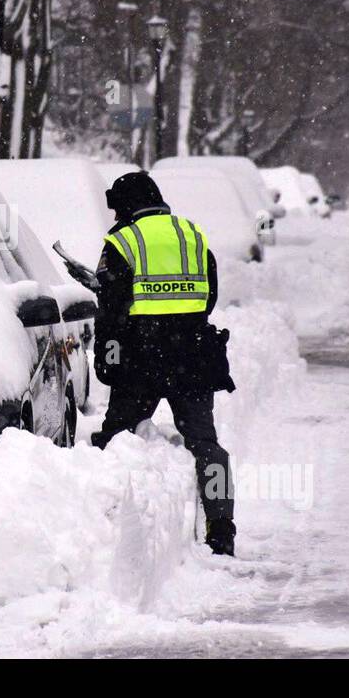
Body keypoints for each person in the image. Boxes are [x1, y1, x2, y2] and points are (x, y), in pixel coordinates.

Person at [90, 171, 237, 556]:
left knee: (119, 439)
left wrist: (108, 358)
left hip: (142, 360)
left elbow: (110, 310)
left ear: (124, 206)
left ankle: (109, 527)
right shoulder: (191, 234)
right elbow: (209, 296)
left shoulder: (122, 241)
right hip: (194, 355)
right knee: (206, 445)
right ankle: (222, 529)